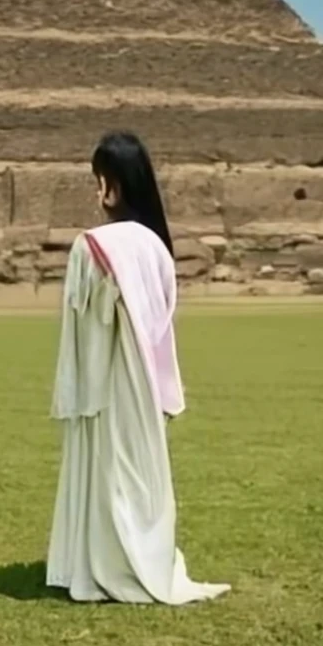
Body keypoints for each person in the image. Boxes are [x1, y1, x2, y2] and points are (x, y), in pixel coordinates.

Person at [46, 131, 230, 604]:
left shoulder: (92, 246)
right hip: (145, 388)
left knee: (106, 474)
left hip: (105, 385)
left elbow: (83, 327)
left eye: (98, 181)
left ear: (113, 185)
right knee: (137, 477)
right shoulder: (157, 248)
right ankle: (142, 559)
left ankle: (104, 568)